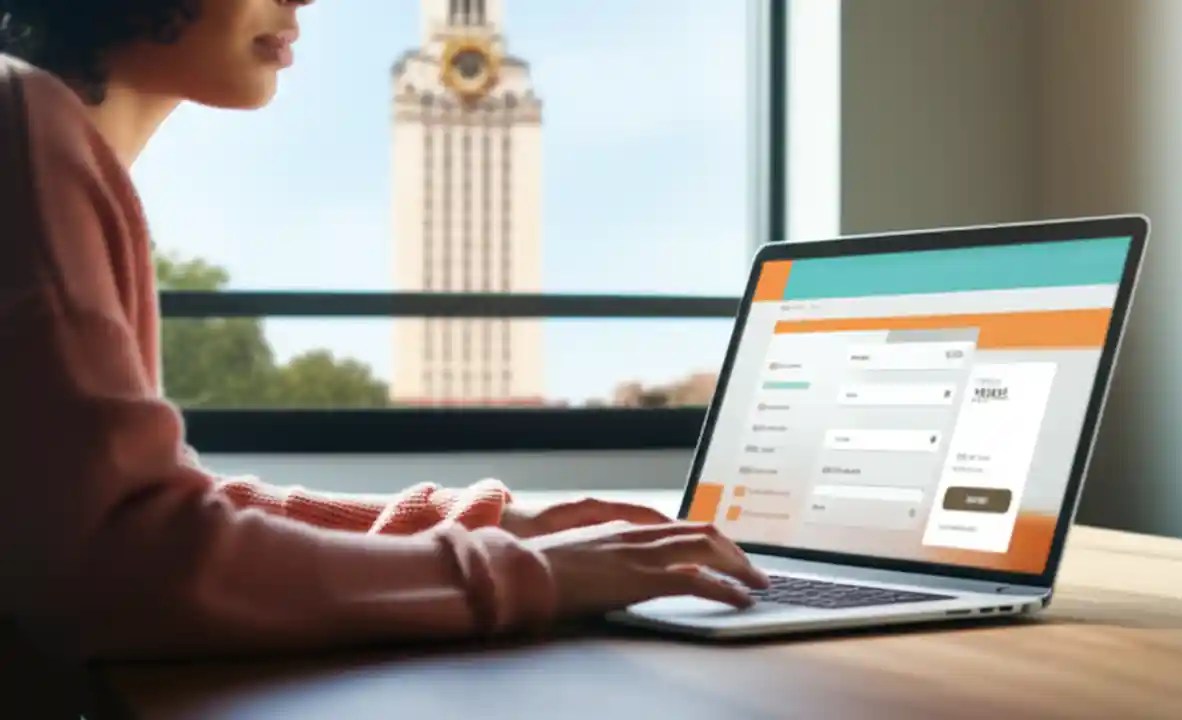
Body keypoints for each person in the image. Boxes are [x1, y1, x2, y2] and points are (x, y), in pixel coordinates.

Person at [0, 0, 768, 662]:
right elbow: (124, 559)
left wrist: (476, 521)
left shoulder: (50, 139)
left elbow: (136, 507)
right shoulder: (25, 126)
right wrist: (537, 575)